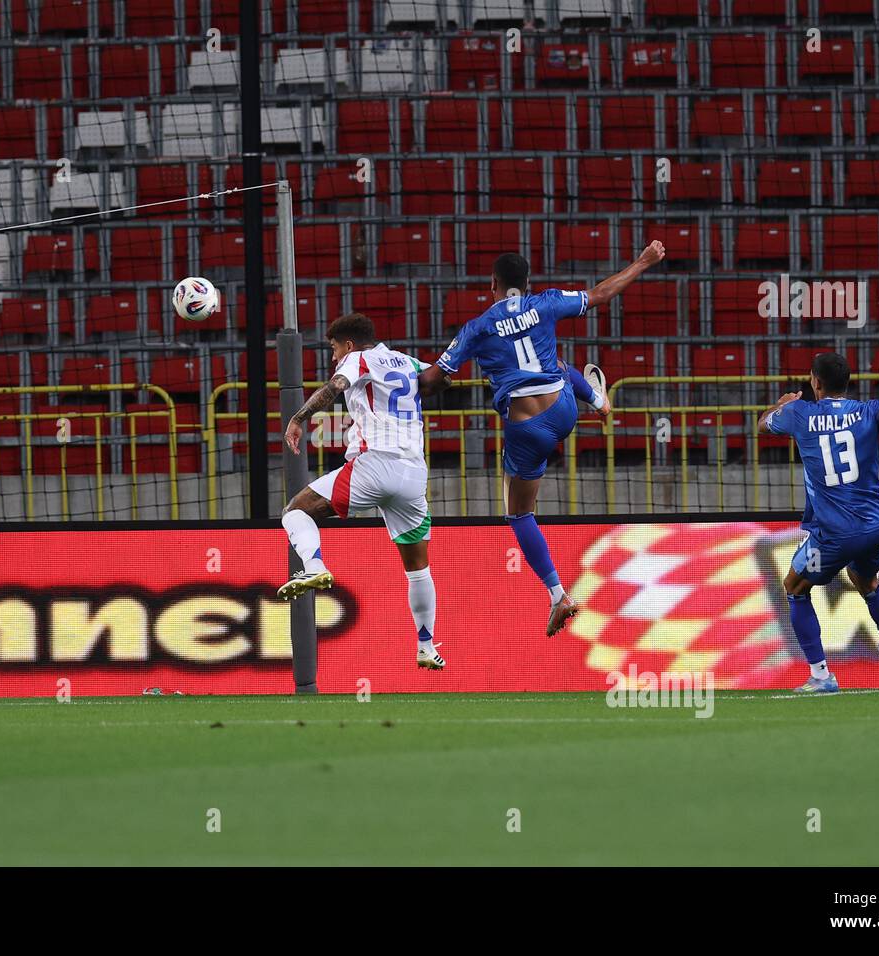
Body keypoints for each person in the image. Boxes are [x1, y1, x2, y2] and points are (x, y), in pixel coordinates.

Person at [419, 244, 665, 636]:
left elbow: (433, 379)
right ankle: (598, 401)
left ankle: (558, 595)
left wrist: (417, 381)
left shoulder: (477, 327)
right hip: (563, 407)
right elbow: (601, 294)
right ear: (528, 284)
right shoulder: (547, 302)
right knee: (560, 365)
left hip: (527, 427)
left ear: (493, 284)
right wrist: (644, 261)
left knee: (519, 513)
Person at [758, 351, 879, 694]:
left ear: (815, 382)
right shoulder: (867, 411)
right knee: (865, 580)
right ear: (848, 383)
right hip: (875, 527)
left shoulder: (798, 413)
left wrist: (779, 404)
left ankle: (821, 675)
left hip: (834, 534)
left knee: (794, 587)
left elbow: (762, 425)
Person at [278, 313, 445, 670]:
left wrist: (299, 417)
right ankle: (426, 645)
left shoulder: (358, 359)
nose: (334, 357)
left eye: (334, 349)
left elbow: (336, 385)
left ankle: (314, 566)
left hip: (375, 465)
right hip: (414, 473)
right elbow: (437, 379)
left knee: (295, 510)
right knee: (418, 569)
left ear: (349, 345)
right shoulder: (407, 360)